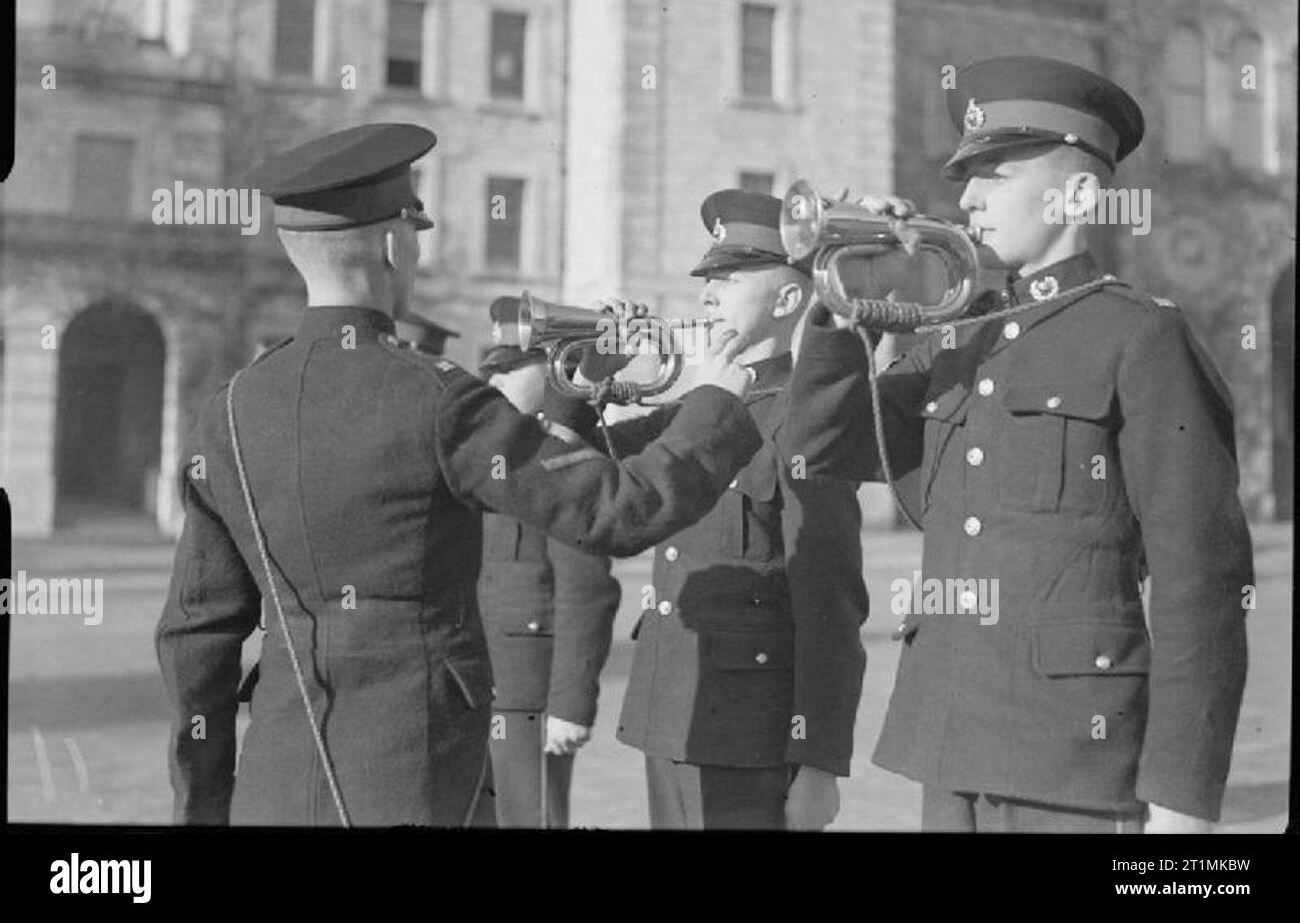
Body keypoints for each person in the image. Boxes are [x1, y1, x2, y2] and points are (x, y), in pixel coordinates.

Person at [155, 123, 763, 827]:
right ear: (393, 244)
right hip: (419, 776)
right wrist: (715, 401)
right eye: (413, 231)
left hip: (277, 780)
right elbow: (618, 511)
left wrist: (201, 806)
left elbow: (194, 634)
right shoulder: (436, 396)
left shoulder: (229, 410)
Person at [776, 57, 1253, 833]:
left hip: (1074, 763)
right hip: (948, 744)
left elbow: (1202, 579)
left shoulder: (1141, 337)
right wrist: (844, 303)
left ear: (1077, 195)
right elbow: (816, 445)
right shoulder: (959, 339)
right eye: (968, 177)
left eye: (994, 175)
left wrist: (1180, 798)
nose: (965, 198)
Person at [552, 189, 868, 830]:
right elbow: (579, 472)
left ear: (786, 300)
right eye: (707, 280)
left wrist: (820, 762)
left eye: (729, 279)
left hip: (751, 734)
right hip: (671, 711)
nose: (707, 294)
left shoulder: (807, 419)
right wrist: (591, 376)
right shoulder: (700, 408)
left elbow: (831, 601)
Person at [473, 299, 621, 828]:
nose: (496, 381)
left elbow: (587, 588)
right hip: (480, 687)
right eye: (493, 370)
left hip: (530, 695)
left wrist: (571, 701)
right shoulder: (491, 452)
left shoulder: (567, 454)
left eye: (513, 368)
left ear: (555, 369)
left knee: (531, 818)